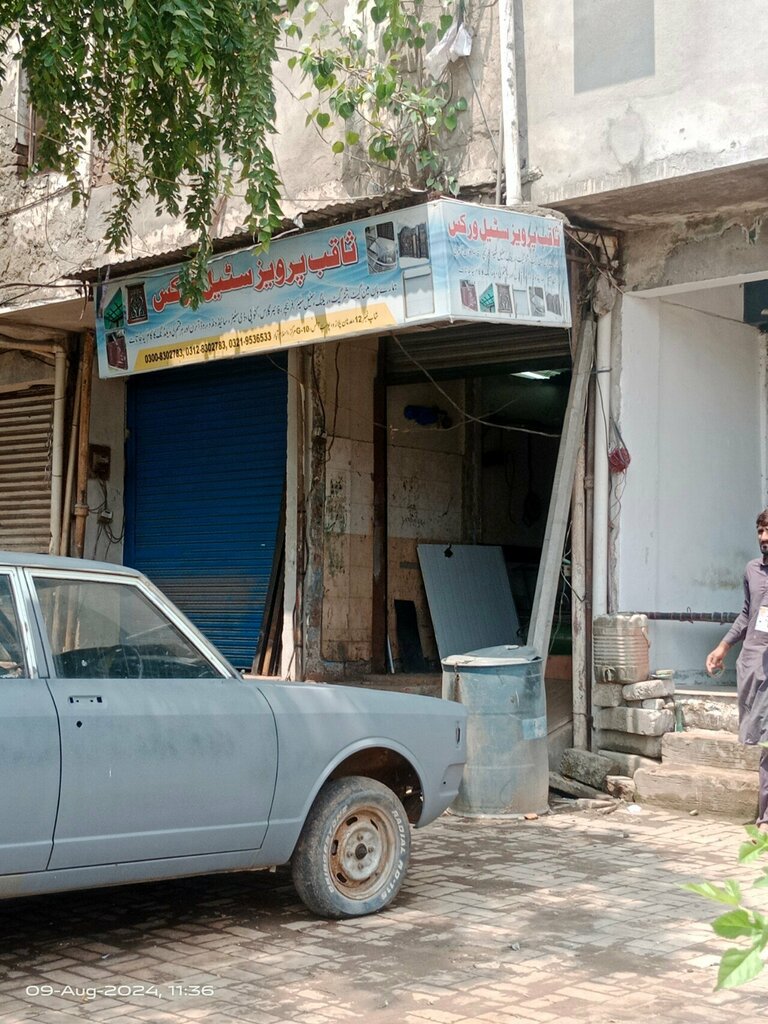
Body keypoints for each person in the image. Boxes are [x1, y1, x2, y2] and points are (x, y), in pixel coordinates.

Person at [706, 509, 768, 833]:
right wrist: (723, 647)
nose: (764, 538)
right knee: (766, 744)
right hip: (756, 667)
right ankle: (765, 818)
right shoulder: (752, 571)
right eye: (760, 531)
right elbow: (747, 614)